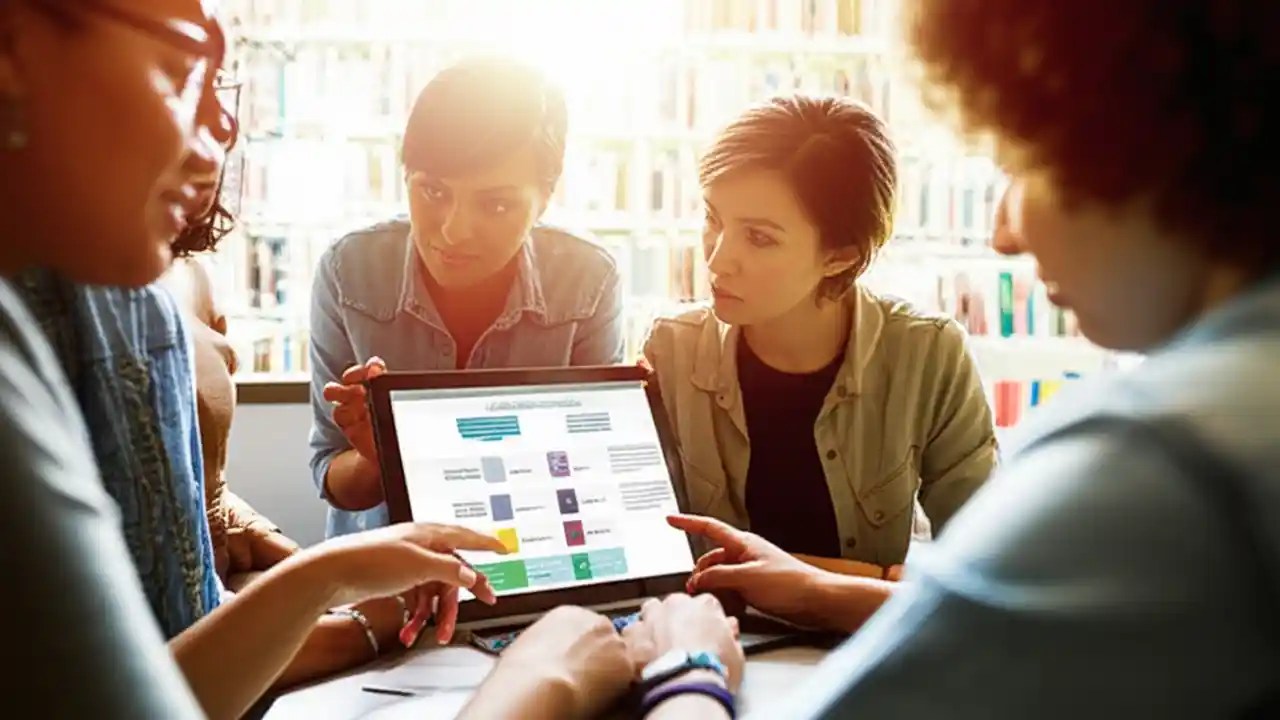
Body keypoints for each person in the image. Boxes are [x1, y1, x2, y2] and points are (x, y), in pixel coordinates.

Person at [0, 3, 678, 718]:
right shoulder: (143, 306)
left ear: (547, 198)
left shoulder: (113, 307)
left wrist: (329, 575)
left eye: (497, 204)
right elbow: (149, 687)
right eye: (178, 70)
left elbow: (173, 651)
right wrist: (563, 682)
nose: (223, 129)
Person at [652, 1, 1280, 717]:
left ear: (1139, 160)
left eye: (1022, 167)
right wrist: (825, 588)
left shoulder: (1164, 459)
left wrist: (684, 667)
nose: (1003, 233)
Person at [642, 96, 996, 593]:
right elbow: (643, 559)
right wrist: (876, 580)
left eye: (759, 238)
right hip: (724, 639)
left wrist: (821, 588)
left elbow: (988, 571)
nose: (718, 260)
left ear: (839, 256)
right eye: (713, 219)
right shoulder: (670, 349)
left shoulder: (929, 353)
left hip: (864, 645)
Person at [311, 55, 625, 538]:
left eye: (496, 203)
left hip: (528, 554)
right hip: (382, 576)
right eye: (432, 192)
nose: (454, 232)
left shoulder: (588, 280)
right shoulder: (348, 272)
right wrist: (378, 459)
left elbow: (586, 477)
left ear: (546, 195)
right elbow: (333, 475)